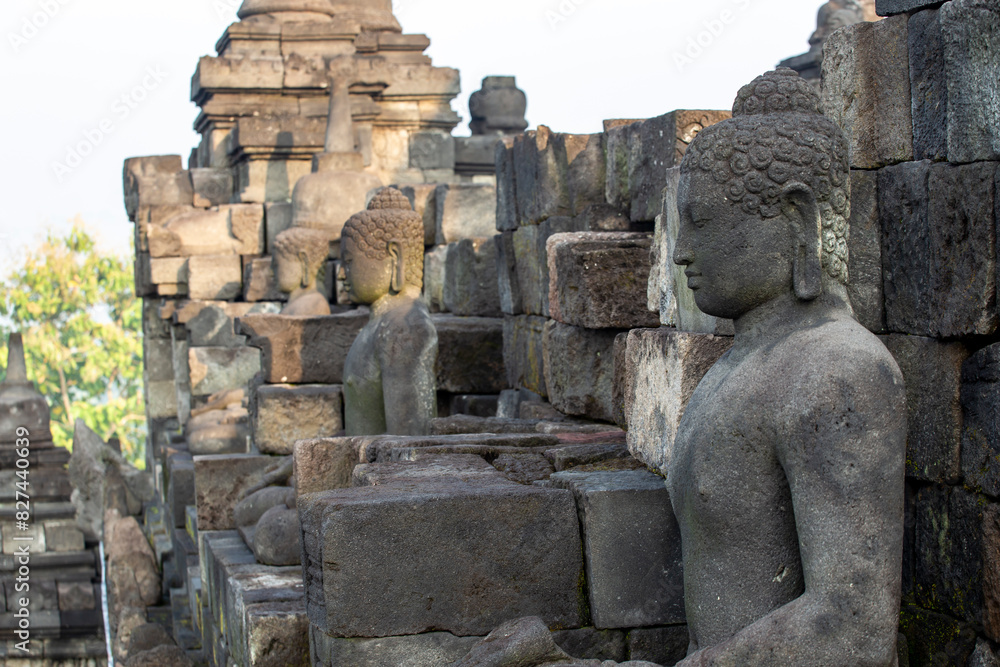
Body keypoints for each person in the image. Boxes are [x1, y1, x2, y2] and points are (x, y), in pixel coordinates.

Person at [668, 68, 906, 666]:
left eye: (701, 222)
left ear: (797, 219)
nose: (681, 251)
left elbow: (854, 627)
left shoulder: (837, 372)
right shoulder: (735, 368)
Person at [340, 187, 437, 436]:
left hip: (383, 473)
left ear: (394, 256)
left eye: (349, 262)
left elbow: (408, 443)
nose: (341, 274)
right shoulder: (382, 324)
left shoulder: (404, 327)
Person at [273, 226, 332, 316]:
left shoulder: (312, 305)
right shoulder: (301, 303)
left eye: (276, 265)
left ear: (304, 262)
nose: (271, 273)